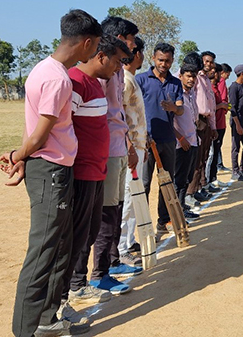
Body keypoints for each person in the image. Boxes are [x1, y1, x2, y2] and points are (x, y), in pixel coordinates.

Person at [0, 9, 101, 337]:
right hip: (51, 172)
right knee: (43, 252)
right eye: (96, 46)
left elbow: (37, 133)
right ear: (86, 43)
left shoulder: (43, 69)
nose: (95, 53)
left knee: (60, 247)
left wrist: (23, 156)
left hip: (53, 168)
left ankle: (48, 320)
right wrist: (18, 155)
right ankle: (24, 331)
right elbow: (41, 135)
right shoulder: (57, 78)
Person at [62, 35, 131, 321]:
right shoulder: (74, 81)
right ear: (100, 54)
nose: (118, 68)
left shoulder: (95, 84)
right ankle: (67, 295)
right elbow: (59, 127)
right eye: (116, 61)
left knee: (89, 232)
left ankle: (72, 291)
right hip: (80, 171)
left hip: (98, 167)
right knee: (74, 239)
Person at [90, 17, 142, 296]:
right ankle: (99, 274)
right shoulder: (102, 72)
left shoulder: (118, 70)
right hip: (108, 150)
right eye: (132, 40)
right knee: (108, 213)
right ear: (121, 38)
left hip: (121, 147)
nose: (134, 46)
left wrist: (129, 146)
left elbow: (119, 113)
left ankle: (111, 262)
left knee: (117, 206)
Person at [137, 43, 184, 234]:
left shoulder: (175, 83)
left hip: (168, 139)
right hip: (147, 141)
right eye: (161, 60)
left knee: (167, 182)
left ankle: (163, 221)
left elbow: (181, 109)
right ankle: (144, 224)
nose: (164, 64)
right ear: (153, 59)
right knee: (145, 184)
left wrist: (174, 108)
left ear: (172, 61)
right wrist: (143, 134)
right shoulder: (141, 80)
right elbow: (134, 109)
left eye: (168, 60)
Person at [119, 36, 147, 263]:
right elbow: (120, 117)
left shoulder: (131, 79)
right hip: (129, 148)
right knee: (128, 198)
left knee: (135, 196)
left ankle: (129, 241)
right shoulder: (125, 81)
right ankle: (120, 248)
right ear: (136, 54)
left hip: (138, 146)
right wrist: (130, 145)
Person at [187, 51, 219, 205]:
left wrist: (213, 126)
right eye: (206, 61)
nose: (209, 64)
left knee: (203, 158)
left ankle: (198, 189)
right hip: (197, 119)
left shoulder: (207, 79)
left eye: (211, 62)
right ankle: (189, 194)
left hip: (206, 120)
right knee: (195, 158)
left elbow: (211, 105)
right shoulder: (195, 78)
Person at [173, 64, 201, 218]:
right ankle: (176, 213)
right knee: (179, 179)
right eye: (188, 76)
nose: (191, 79)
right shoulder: (176, 94)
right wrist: (180, 138)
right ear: (181, 76)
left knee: (187, 178)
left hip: (193, 140)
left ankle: (182, 207)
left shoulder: (191, 94)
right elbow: (170, 121)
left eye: (194, 76)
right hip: (181, 143)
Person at [208, 63, 230, 187]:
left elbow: (225, 103)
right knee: (211, 154)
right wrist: (223, 106)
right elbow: (222, 102)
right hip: (215, 124)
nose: (223, 77)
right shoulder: (218, 85)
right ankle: (208, 180)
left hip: (220, 123)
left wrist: (226, 107)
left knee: (215, 152)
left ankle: (213, 178)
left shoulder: (217, 85)